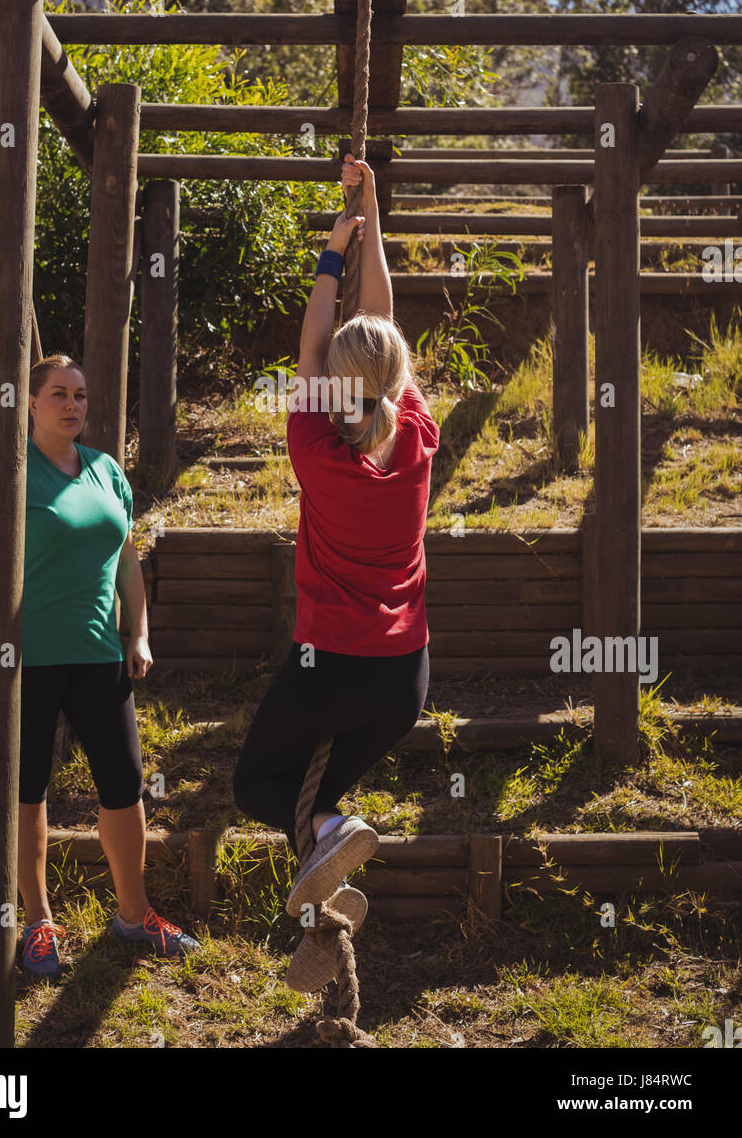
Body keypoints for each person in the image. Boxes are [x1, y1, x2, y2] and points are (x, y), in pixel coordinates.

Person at [233, 154, 440, 989]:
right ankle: (327, 869)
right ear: (398, 379)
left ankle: (325, 843)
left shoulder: (319, 449)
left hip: (332, 664)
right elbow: (376, 322)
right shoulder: (418, 441)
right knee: (314, 811)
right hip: (405, 682)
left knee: (257, 784)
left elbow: (316, 342)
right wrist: (374, 213)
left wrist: (331, 250)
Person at [18, 354, 199, 976]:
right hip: (29, 661)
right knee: (28, 792)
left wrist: (137, 631)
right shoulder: (12, 475)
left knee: (124, 787)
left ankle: (133, 914)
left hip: (100, 654)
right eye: (59, 394)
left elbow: (125, 558)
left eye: (82, 396)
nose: (73, 405)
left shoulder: (105, 470)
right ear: (31, 402)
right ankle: (38, 922)